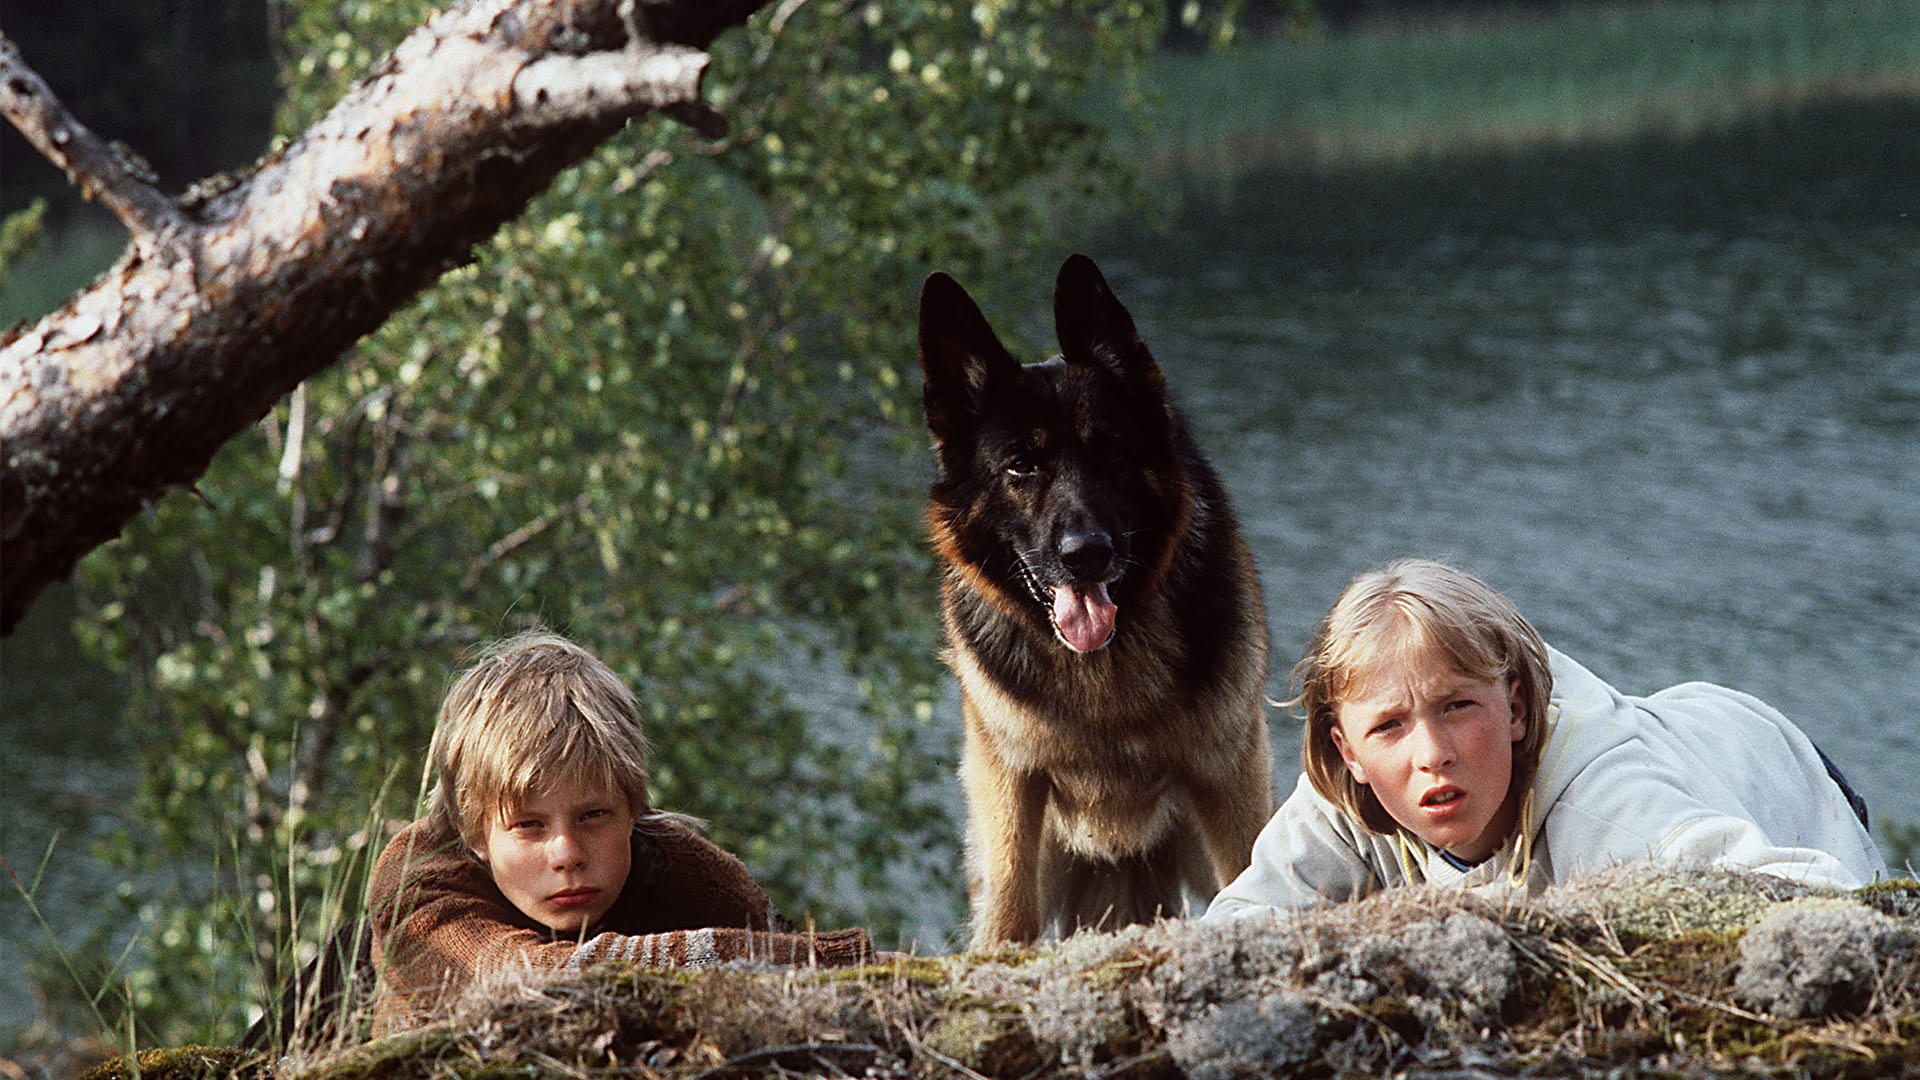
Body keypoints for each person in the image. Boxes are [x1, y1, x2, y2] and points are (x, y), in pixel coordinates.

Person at [1208, 559, 1886, 918]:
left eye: (1458, 706)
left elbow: (1807, 893)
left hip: (1779, 780)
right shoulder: (1343, 798)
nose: (1430, 752)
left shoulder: (1606, 807)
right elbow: (1237, 928)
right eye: (1389, 726)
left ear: (1518, 709)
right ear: (1348, 750)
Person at [368, 630, 877, 1033]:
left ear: (632, 809)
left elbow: (789, 958)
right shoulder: (417, 883)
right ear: (473, 831)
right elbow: (530, 983)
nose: (566, 853)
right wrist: (832, 958)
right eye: (528, 825)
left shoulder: (683, 868)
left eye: (593, 816)